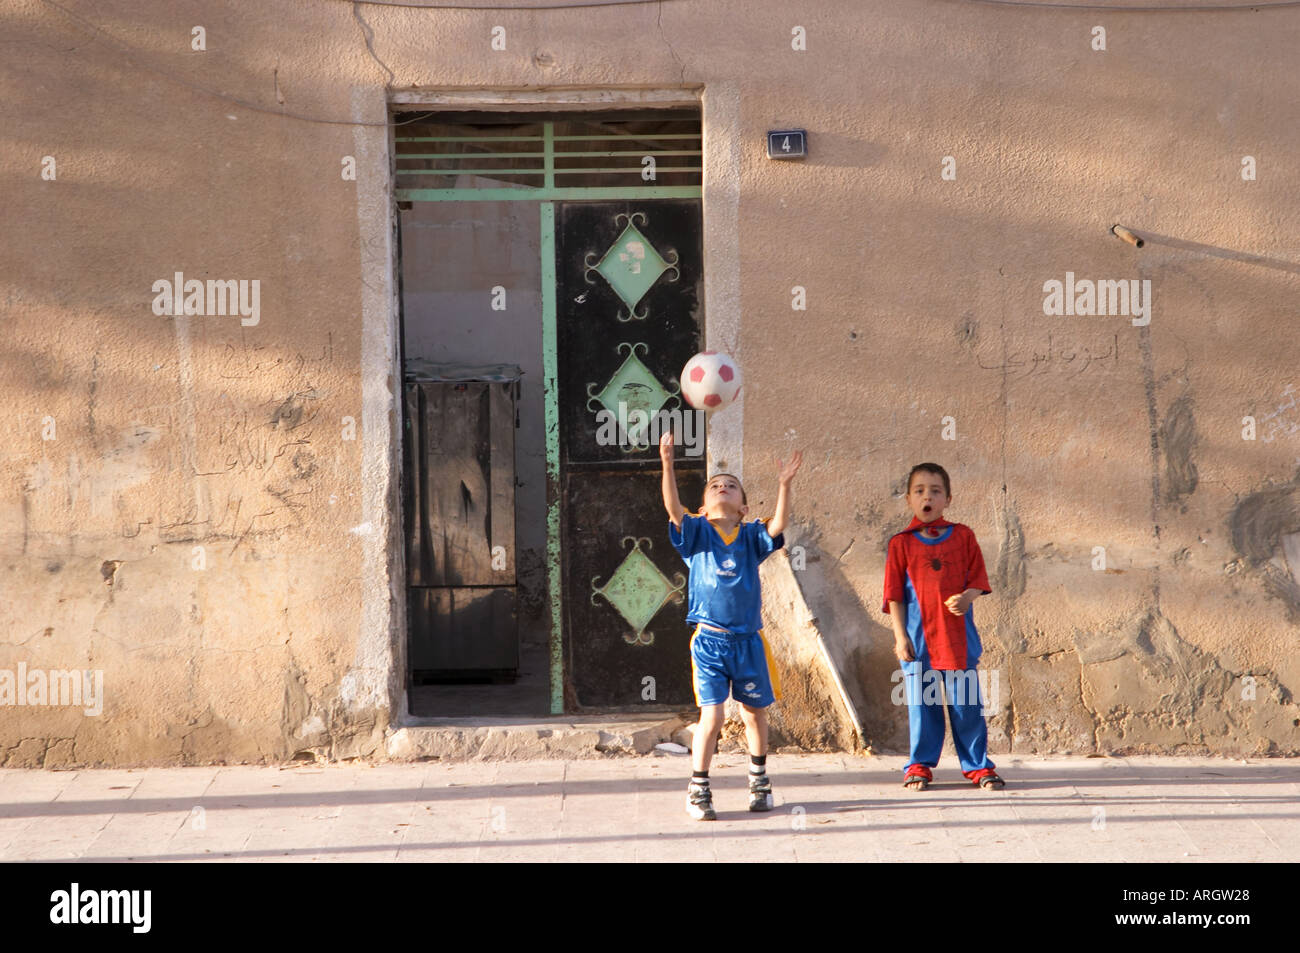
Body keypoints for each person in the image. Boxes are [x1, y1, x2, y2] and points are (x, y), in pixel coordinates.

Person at [659, 431, 802, 820]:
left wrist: (784, 485)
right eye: (715, 485)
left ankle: (759, 781)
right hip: (708, 642)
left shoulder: (753, 536)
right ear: (703, 509)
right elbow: (673, 508)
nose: (723, 487)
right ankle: (699, 789)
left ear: (743, 508)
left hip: (748, 643)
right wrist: (668, 465)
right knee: (713, 717)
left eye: (732, 486)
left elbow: (778, 526)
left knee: (755, 713)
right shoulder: (697, 534)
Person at [883, 463, 1004, 791]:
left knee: (966, 705)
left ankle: (978, 766)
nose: (928, 496)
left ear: (947, 499)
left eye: (935, 491)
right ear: (909, 499)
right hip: (918, 641)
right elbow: (893, 595)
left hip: (957, 640)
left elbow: (978, 579)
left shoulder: (964, 536)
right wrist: (900, 637)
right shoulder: (901, 544)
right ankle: (919, 765)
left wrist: (968, 597)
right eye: (920, 491)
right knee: (923, 706)